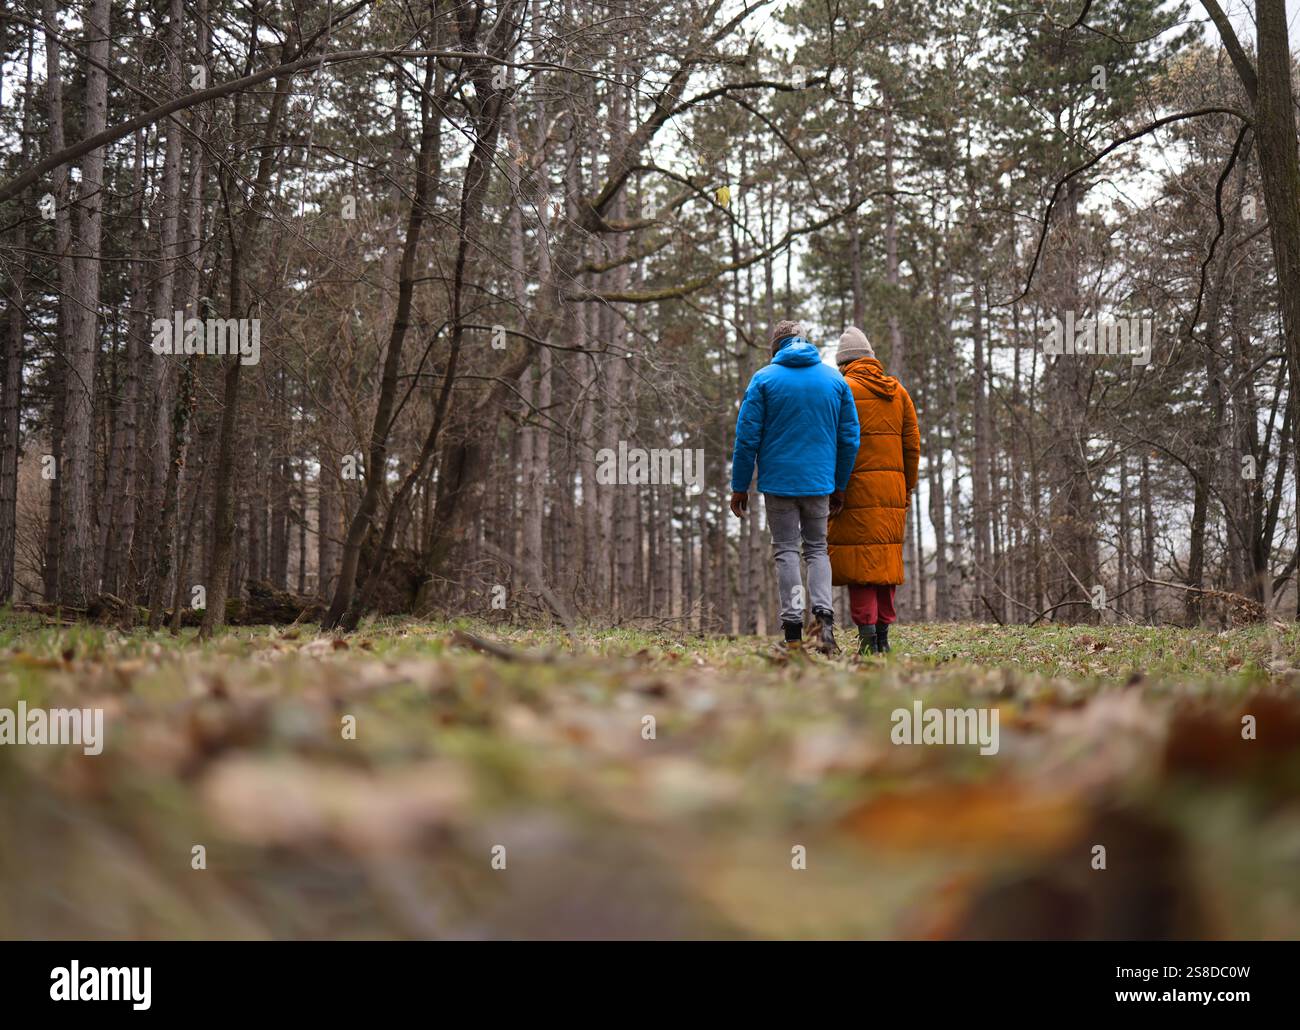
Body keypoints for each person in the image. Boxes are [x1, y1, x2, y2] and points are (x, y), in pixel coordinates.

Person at [730, 319, 860, 654]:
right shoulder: (834, 379)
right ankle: (825, 625)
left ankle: (792, 632)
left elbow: (746, 438)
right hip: (820, 482)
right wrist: (839, 485)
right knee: (817, 549)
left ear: (776, 346)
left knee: (787, 550)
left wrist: (740, 485)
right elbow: (849, 438)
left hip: (779, 483)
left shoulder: (763, 379)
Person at [827, 327, 920, 655]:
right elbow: (912, 446)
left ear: (844, 363)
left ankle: (867, 642)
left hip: (852, 490)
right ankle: (883, 638)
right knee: (884, 565)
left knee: (860, 566)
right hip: (892, 492)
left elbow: (833, 443)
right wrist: (906, 488)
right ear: (870, 358)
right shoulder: (898, 392)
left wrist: (832, 487)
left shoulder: (841, 389)